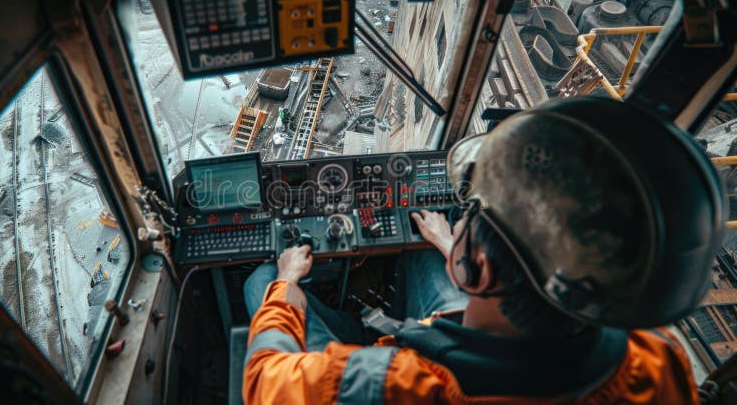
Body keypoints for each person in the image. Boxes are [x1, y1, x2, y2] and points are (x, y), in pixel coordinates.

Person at [242, 98, 723, 404]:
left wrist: (286, 284)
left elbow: (264, 380)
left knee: (259, 282)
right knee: (420, 251)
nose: (461, 221)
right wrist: (449, 244)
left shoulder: (386, 385)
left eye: (471, 212)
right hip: (513, 342)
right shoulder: (657, 361)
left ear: (483, 266)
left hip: (414, 355)